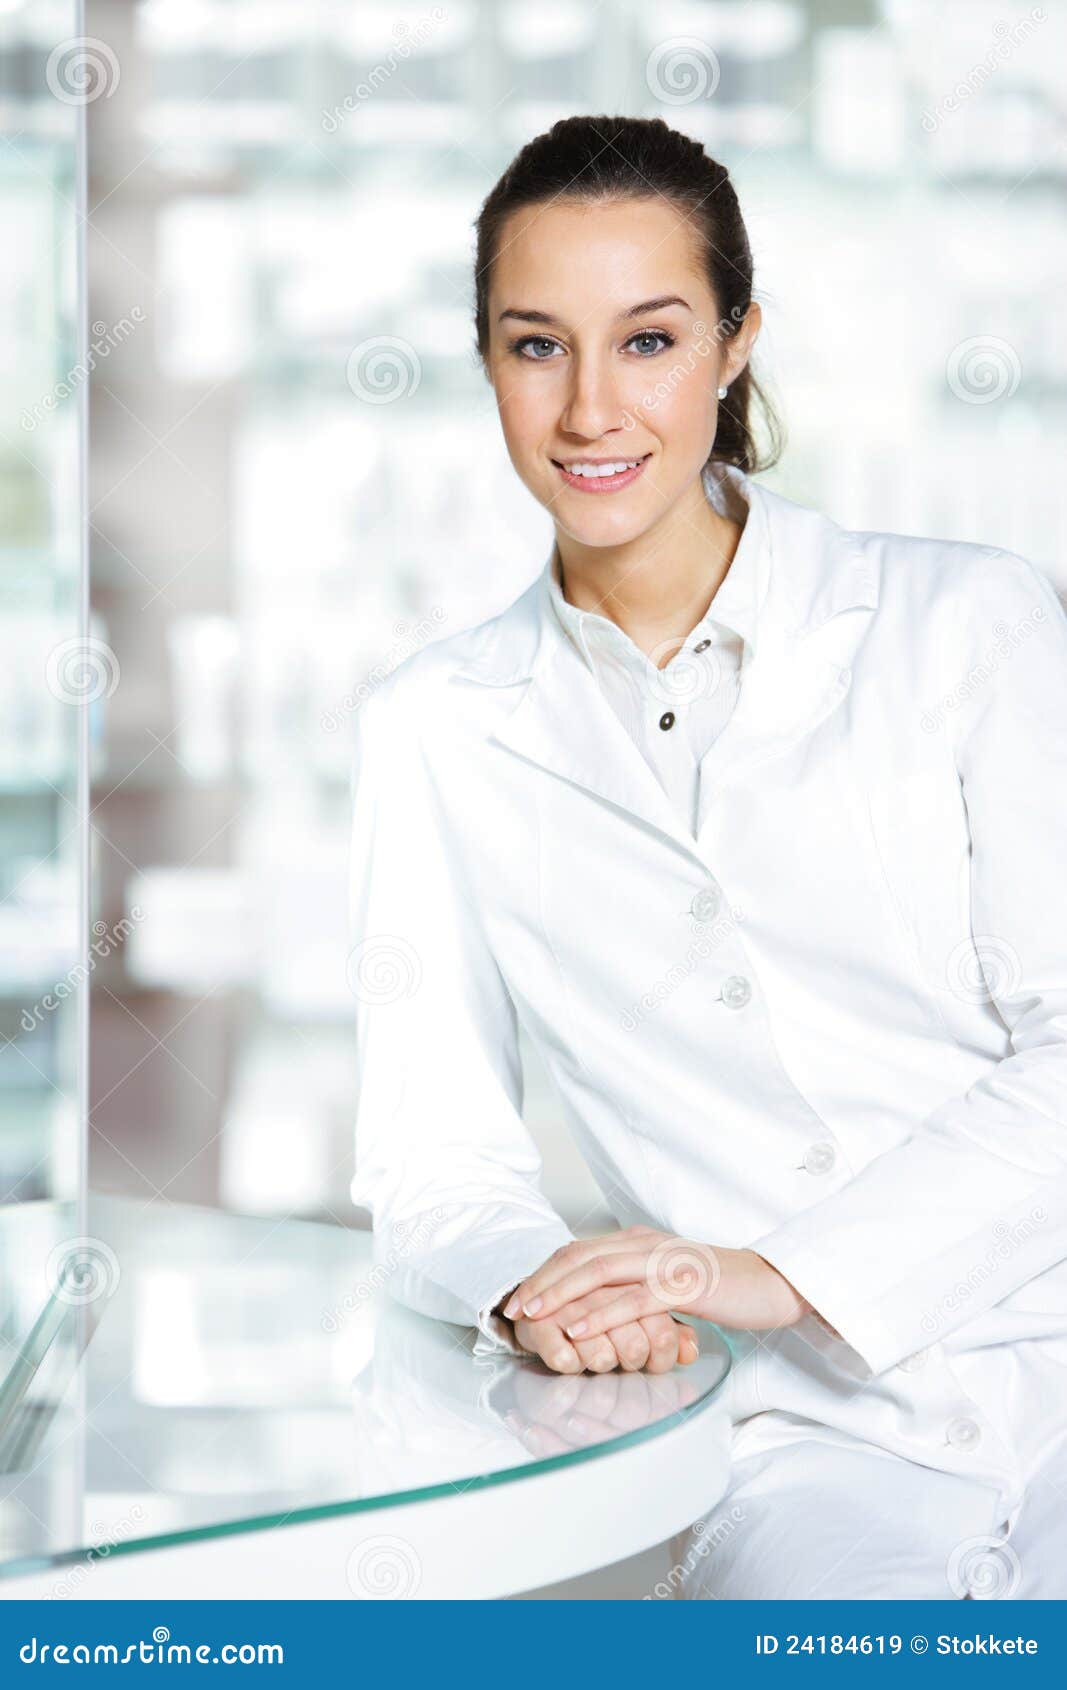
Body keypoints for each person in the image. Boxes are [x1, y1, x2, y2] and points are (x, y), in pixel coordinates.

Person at [347, 114, 1067, 1598]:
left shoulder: (974, 626)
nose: (593, 409)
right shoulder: (437, 726)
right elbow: (432, 1155)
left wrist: (766, 1270)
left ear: (738, 344)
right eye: (537, 345)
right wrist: (533, 1285)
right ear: (485, 360)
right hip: (792, 1434)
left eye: (652, 339)